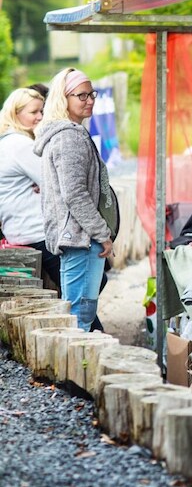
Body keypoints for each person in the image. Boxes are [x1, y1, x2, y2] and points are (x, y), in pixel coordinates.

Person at [33, 68, 117, 331]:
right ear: (63, 98)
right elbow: (75, 194)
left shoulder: (69, 134)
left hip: (79, 237)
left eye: (91, 94)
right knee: (79, 318)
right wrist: (101, 233)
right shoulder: (69, 137)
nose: (89, 100)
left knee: (83, 314)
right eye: (81, 95)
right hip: (80, 239)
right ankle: (72, 373)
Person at [0, 88, 58, 285]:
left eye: (42, 111)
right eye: (34, 112)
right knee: (89, 284)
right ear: (15, 114)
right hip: (35, 231)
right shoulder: (20, 144)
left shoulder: (7, 141)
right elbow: (53, 181)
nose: (40, 117)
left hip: (17, 228)